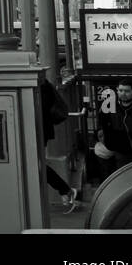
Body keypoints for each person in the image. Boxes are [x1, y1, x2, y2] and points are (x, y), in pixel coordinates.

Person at [95, 80, 132, 177]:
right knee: (124, 176)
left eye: (127, 91)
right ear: (117, 91)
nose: (123, 93)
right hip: (121, 149)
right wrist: (110, 141)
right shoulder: (109, 105)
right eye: (121, 90)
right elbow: (102, 124)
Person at [40, 79, 77, 212]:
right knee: (37, 165)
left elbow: (41, 108)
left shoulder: (41, 84)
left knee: (36, 165)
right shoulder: (42, 82)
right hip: (38, 130)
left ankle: (65, 190)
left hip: (37, 130)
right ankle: (65, 190)